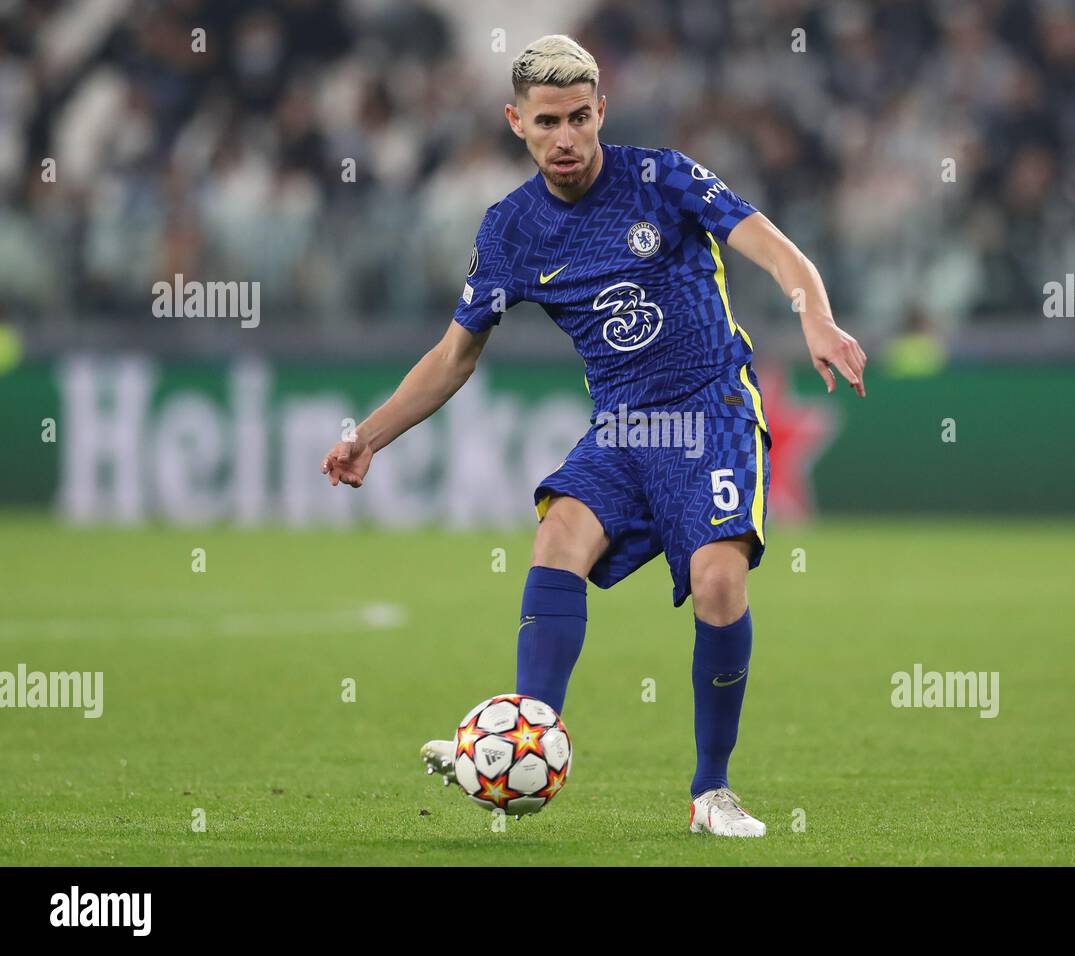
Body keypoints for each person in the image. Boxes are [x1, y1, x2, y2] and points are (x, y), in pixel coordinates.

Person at [321, 35, 866, 837]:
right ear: (516, 122)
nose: (567, 137)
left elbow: (775, 249)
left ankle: (711, 791)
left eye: (581, 116)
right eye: (548, 122)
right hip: (622, 428)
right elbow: (452, 358)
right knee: (558, 537)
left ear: (601, 110)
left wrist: (813, 313)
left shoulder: (662, 179)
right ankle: (518, 740)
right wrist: (368, 436)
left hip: (709, 412)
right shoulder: (511, 229)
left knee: (719, 582)